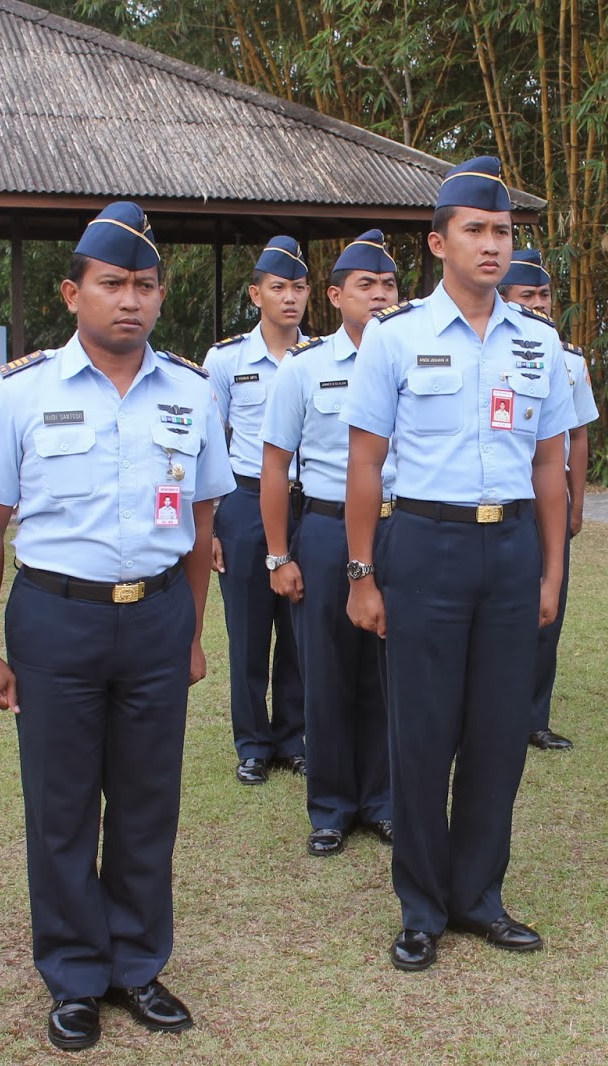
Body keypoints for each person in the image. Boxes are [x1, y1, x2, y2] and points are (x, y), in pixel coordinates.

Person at [0, 202, 235, 1050]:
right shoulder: (21, 390)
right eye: (112, 284)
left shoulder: (192, 391)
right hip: (55, 618)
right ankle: (76, 976)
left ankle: (138, 967)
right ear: (72, 292)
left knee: (149, 805)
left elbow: (201, 526)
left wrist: (188, 633)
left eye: (145, 286)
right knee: (63, 807)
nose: (131, 300)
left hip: (153, 618)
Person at [341, 155, 574, 972]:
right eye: (474, 230)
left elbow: (551, 466)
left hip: (509, 547)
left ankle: (479, 896)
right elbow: (364, 462)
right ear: (439, 242)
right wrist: (362, 572)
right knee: (423, 731)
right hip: (425, 546)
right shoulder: (395, 338)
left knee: (498, 734)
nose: (491, 245)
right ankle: (421, 906)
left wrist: (550, 571)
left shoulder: (539, 343)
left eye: (502, 232)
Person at [260, 229, 399, 857]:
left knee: (389, 669)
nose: (378, 296)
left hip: (400, 527)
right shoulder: (304, 369)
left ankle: (383, 799)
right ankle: (331, 806)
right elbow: (273, 466)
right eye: (365, 286)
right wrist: (277, 554)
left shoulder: (414, 360)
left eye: (389, 284)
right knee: (326, 667)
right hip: (324, 528)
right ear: (336, 295)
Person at [204, 236, 310, 785]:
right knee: (247, 630)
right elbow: (208, 443)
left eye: (298, 288)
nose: (289, 298)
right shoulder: (225, 360)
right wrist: (215, 522)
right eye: (278, 288)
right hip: (244, 502)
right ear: (256, 294)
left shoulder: (321, 358)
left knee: (299, 627)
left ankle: (293, 736)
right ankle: (252, 742)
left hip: (305, 503)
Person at [497, 248, 599, 751]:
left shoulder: (569, 358)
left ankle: (534, 716)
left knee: (547, 608)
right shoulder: (494, 351)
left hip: (550, 497)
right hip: (505, 497)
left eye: (544, 294)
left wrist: (576, 502)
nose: (538, 304)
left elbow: (576, 437)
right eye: (526, 295)